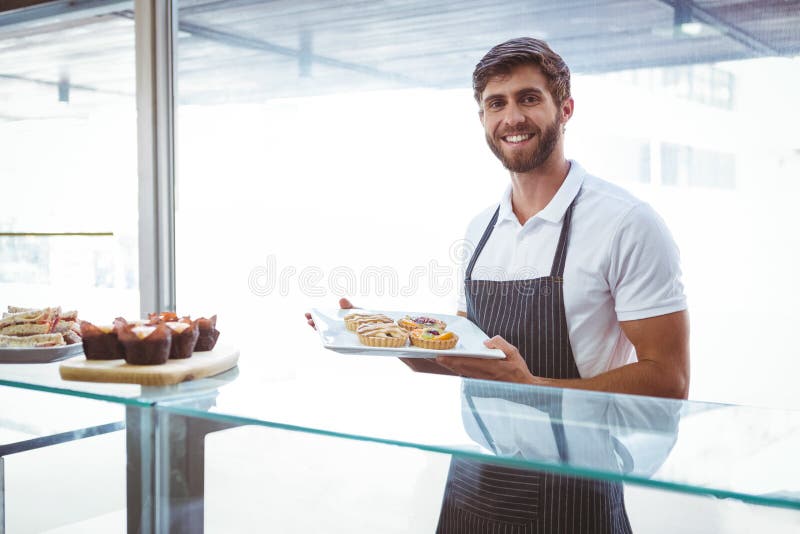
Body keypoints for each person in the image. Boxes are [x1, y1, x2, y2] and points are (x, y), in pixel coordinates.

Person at [306, 37, 689, 533]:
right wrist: (383, 339)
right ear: (483, 118)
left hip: (576, 491)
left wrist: (535, 388)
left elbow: (669, 380)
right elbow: (473, 355)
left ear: (565, 108)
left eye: (529, 98)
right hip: (476, 479)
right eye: (496, 103)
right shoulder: (479, 230)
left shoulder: (626, 223)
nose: (512, 117)